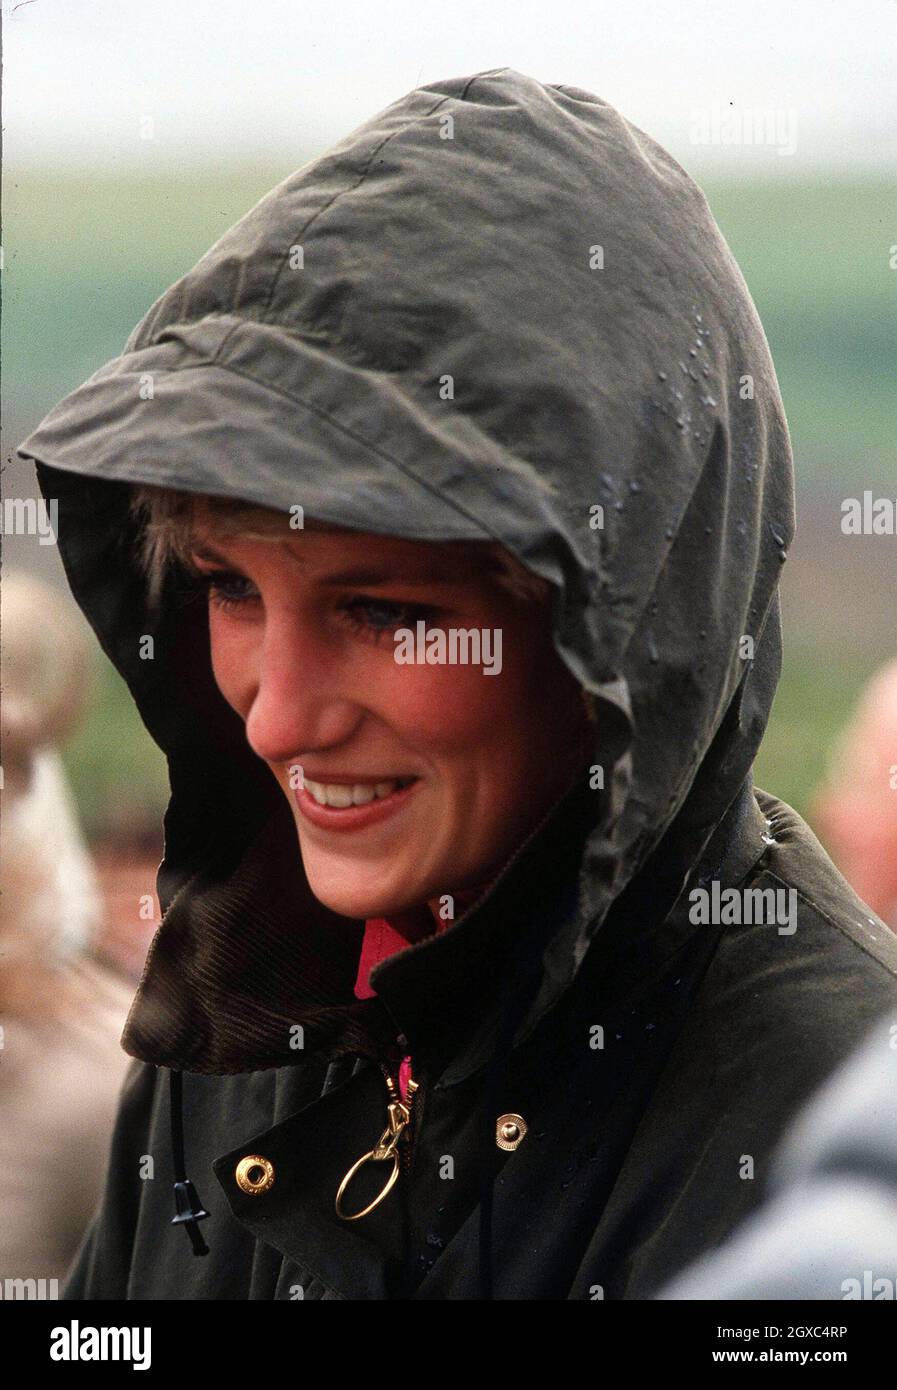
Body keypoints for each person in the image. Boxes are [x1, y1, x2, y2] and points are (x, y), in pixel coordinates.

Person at [15, 66, 897, 1301]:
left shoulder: (829, 1140)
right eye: (229, 589)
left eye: (383, 610)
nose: (275, 714)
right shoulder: (250, 1017)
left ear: (617, 624)